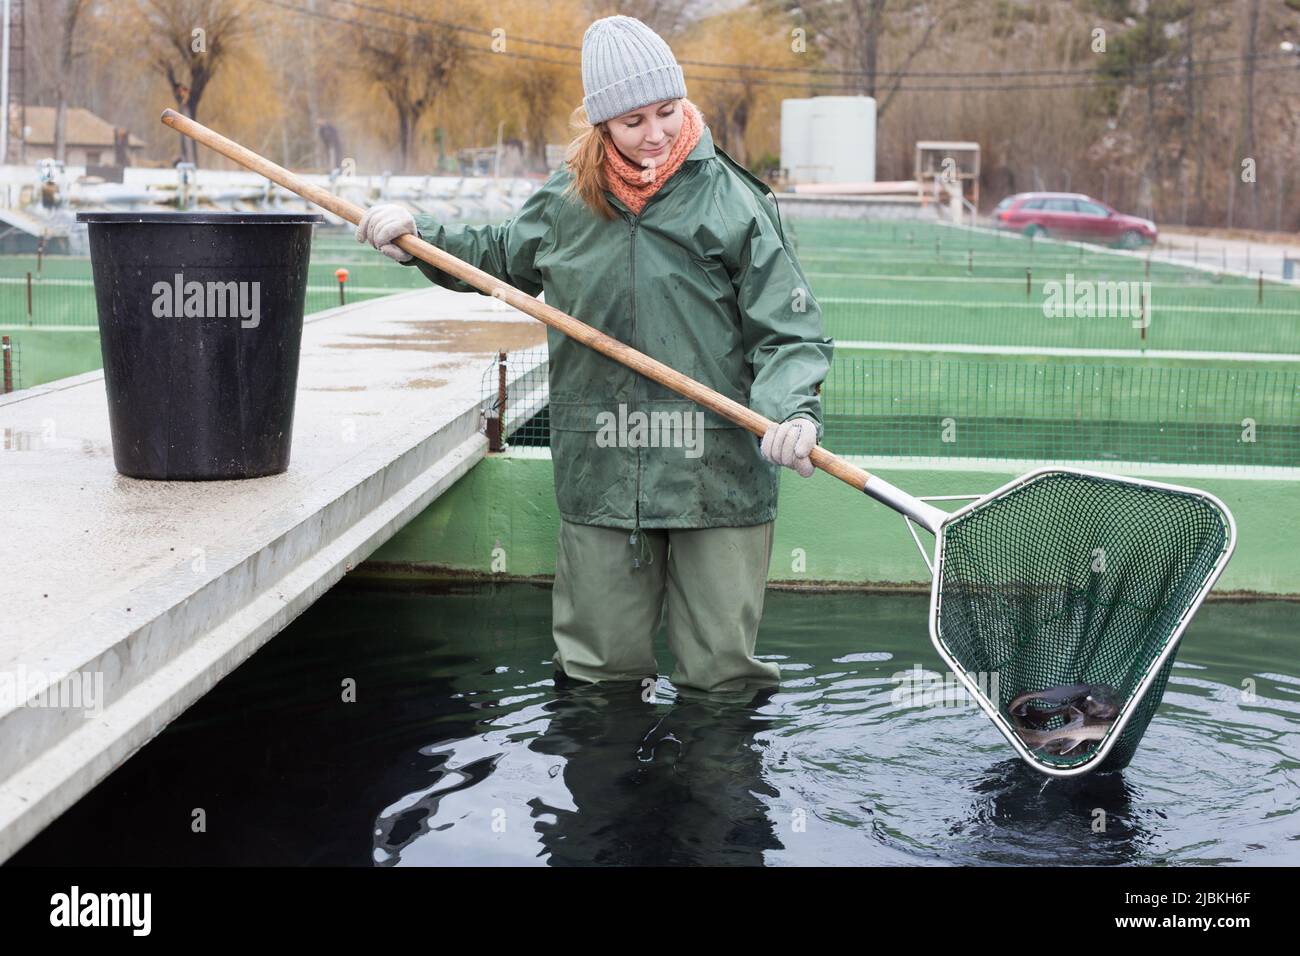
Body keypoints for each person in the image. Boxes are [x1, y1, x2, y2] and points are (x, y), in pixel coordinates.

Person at [356, 15, 833, 699]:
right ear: (602, 124)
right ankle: (610, 804)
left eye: (668, 111)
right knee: (596, 673)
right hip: (604, 470)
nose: (658, 132)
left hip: (719, 474)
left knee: (720, 679)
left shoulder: (735, 203)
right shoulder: (567, 200)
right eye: (634, 119)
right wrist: (418, 240)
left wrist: (790, 413)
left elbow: (788, 330)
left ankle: (717, 799)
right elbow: (496, 258)